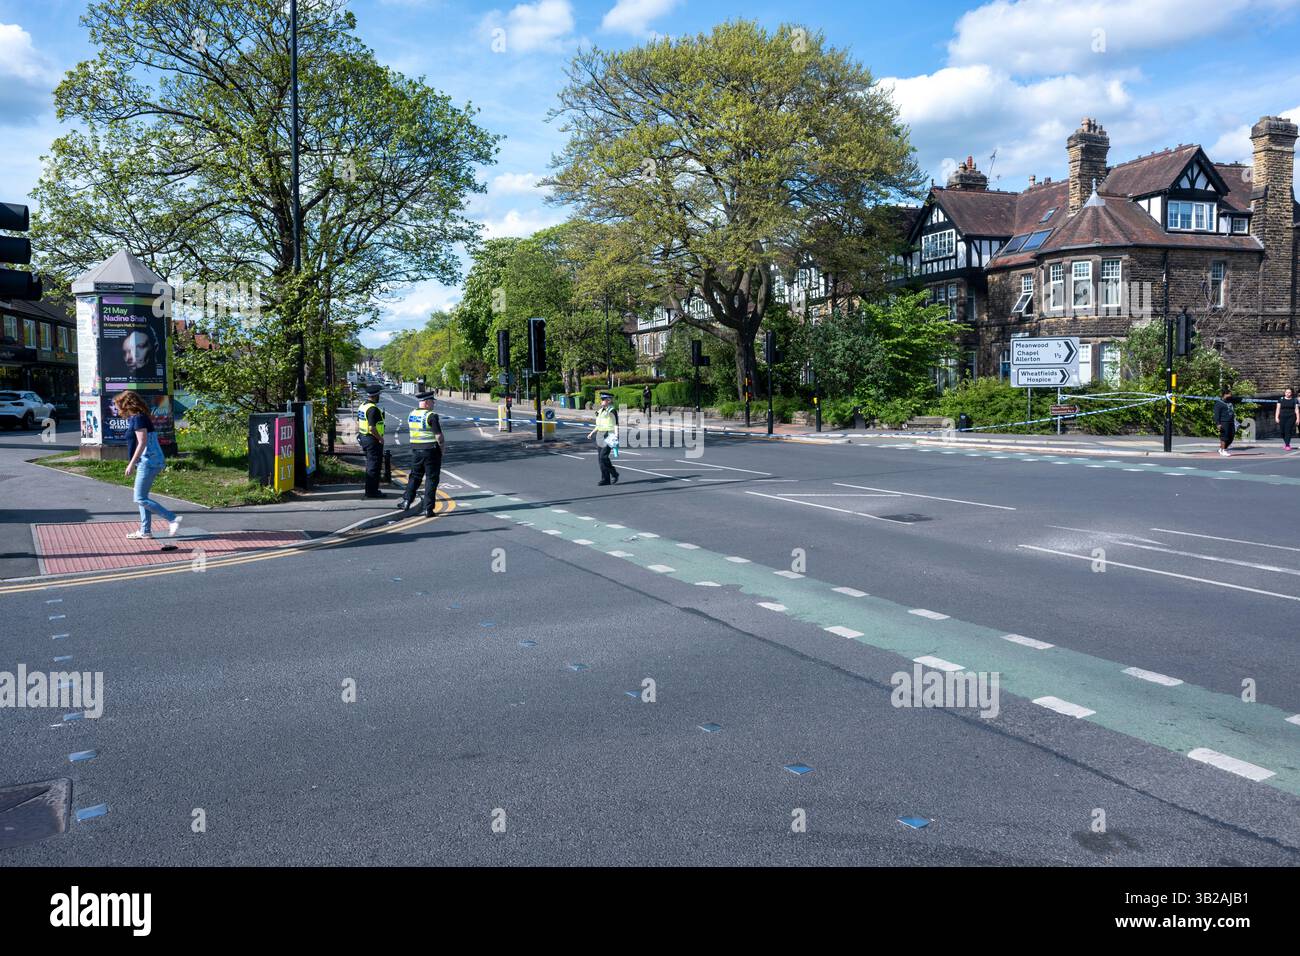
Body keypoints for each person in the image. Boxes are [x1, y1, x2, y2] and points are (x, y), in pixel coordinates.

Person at [115, 390, 181, 540]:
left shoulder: (138, 419)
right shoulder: (137, 417)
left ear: (126, 404)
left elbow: (143, 441)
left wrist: (131, 464)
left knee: (139, 498)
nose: (117, 409)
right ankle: (145, 531)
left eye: (118, 405)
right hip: (148, 460)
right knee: (142, 497)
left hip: (148, 461)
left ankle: (172, 518)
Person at [396, 391, 445, 517]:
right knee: (431, 479)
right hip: (431, 451)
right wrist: (442, 450)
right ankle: (428, 509)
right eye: (432, 401)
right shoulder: (431, 416)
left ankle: (407, 501)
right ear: (427, 402)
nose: (433, 403)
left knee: (415, 477)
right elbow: (439, 436)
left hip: (416, 451)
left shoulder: (412, 414)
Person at [356, 383, 386, 498]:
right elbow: (372, 428)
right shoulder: (373, 409)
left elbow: (358, 422)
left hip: (364, 438)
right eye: (379, 395)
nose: (379, 397)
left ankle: (371, 490)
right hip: (372, 440)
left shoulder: (363, 406)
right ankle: (372, 492)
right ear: (375, 396)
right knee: (374, 466)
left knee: (370, 465)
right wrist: (380, 439)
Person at [587, 391, 620, 486]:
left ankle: (614, 473)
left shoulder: (612, 411)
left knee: (603, 457)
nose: (601, 401)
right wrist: (592, 433)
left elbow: (616, 424)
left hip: (609, 435)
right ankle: (605, 479)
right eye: (601, 399)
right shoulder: (600, 411)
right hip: (600, 435)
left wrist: (616, 436)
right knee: (600, 459)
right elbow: (599, 424)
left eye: (603, 399)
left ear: (609, 400)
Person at [1213, 388, 1236, 457]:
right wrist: (1218, 424)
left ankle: (1221, 449)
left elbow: (1239, 399)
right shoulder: (1219, 403)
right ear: (1225, 395)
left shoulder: (1231, 401)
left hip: (1231, 421)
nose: (1230, 395)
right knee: (1224, 437)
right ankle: (1223, 450)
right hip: (1224, 422)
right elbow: (1216, 414)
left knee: (1231, 436)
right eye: (1229, 394)